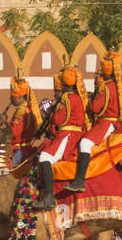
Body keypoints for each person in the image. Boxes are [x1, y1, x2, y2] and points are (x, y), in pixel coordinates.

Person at [70, 51, 122, 192]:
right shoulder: (119, 86)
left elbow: (96, 107)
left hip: (106, 124)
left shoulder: (106, 87)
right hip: (114, 123)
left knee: (85, 143)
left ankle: (80, 180)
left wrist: (91, 103)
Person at [33, 62, 87, 210]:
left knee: (45, 157)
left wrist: (51, 113)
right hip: (70, 133)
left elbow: (58, 120)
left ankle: (49, 197)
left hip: (68, 134)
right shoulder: (76, 97)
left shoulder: (68, 98)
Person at [8, 72, 42, 168]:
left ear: (20, 97)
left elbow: (14, 133)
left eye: (12, 97)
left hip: (19, 150)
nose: (10, 99)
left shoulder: (22, 111)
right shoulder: (24, 109)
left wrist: (4, 125)